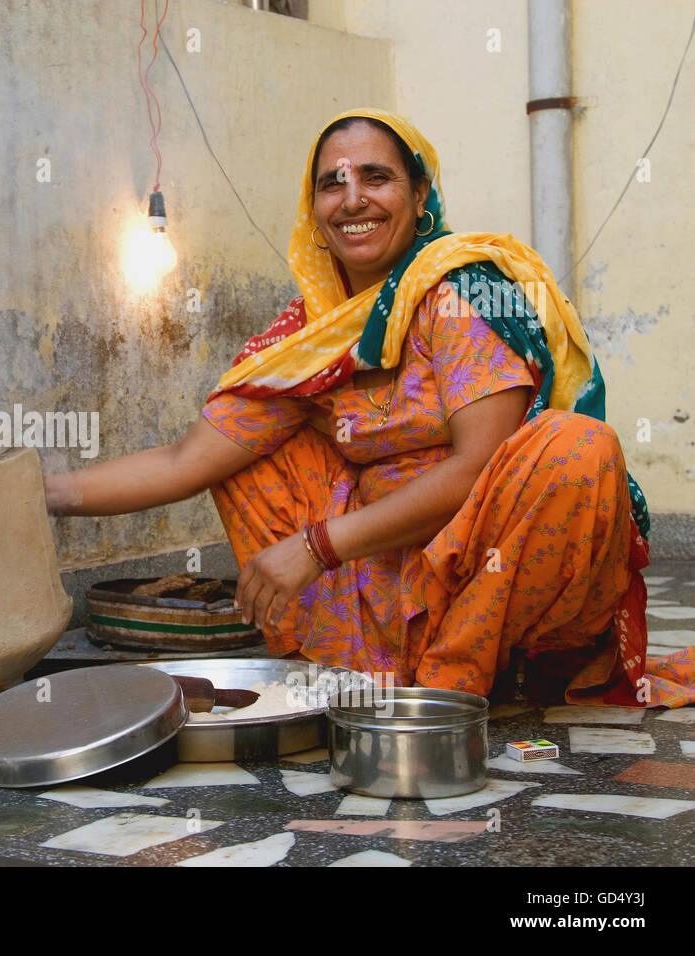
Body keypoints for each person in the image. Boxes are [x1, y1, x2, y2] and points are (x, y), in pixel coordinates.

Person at [45, 108, 694, 708]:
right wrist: (39, 493)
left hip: (512, 577)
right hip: (395, 586)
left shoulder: (459, 294)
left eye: (375, 177)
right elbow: (187, 459)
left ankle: (457, 681)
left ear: (418, 197)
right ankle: (369, 664)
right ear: (314, 207)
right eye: (332, 183)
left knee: (574, 445)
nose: (352, 197)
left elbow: (479, 467)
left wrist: (318, 545)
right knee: (249, 455)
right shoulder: (314, 335)